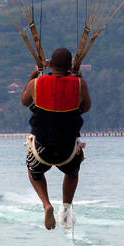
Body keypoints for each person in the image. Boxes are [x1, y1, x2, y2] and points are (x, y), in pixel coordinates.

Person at [21, 48, 91, 231]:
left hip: (41, 150)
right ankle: (66, 207)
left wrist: (33, 75)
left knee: (34, 172)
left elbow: (24, 101)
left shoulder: (36, 84)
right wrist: (79, 76)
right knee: (72, 172)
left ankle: (46, 204)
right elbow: (85, 107)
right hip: (68, 152)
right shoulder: (79, 84)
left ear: (50, 64)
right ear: (70, 66)